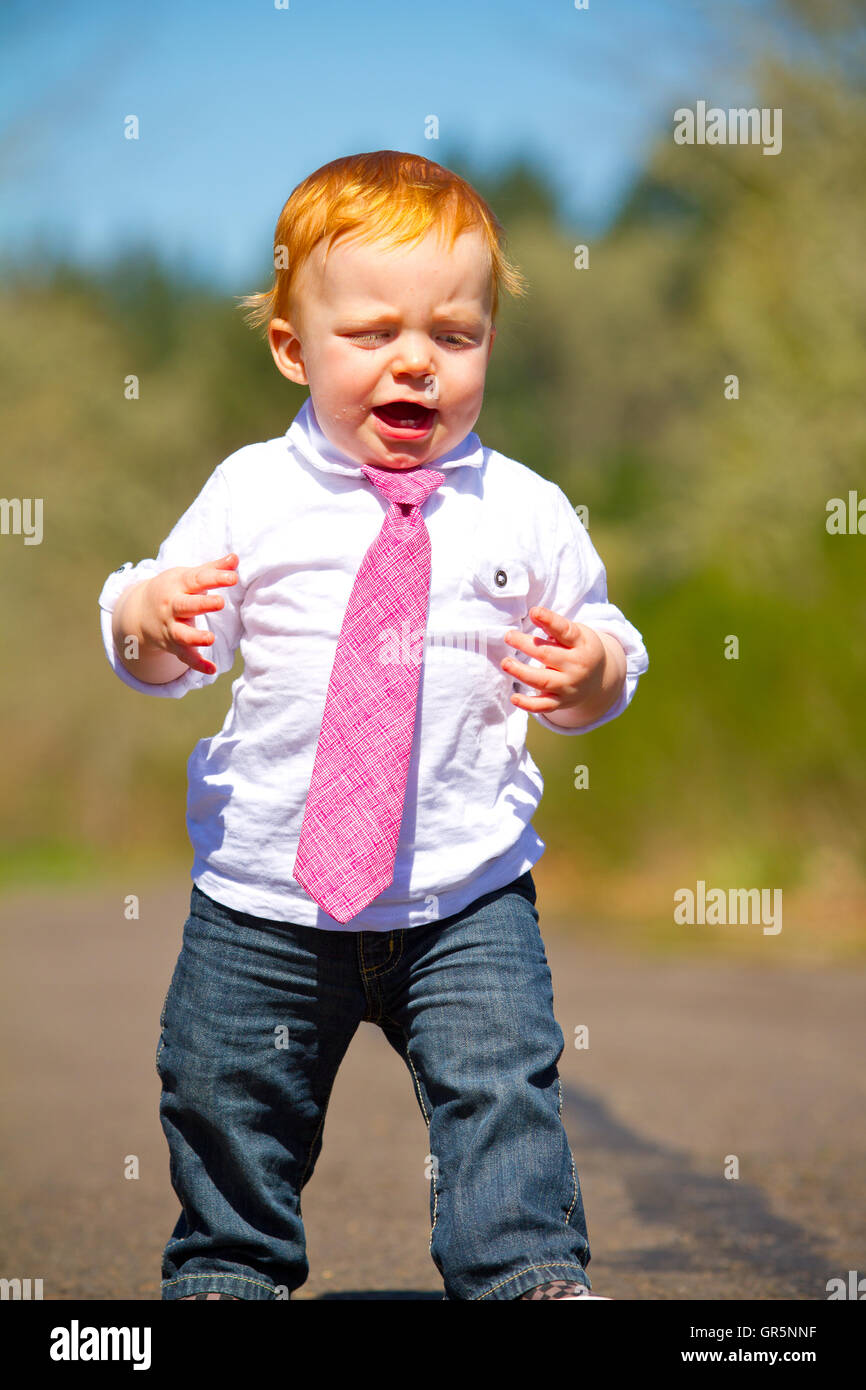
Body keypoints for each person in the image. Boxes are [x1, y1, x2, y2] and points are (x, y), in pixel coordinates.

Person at [97, 150, 649, 1301]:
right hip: (263, 891)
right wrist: (147, 616)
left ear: (488, 340)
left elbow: (605, 642)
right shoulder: (253, 491)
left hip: (466, 887)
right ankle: (228, 1267)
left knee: (502, 1085)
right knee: (222, 1088)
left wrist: (592, 670)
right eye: (372, 334)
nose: (416, 361)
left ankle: (521, 1272)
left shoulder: (527, 506)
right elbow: (158, 649)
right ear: (295, 349)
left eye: (454, 334)